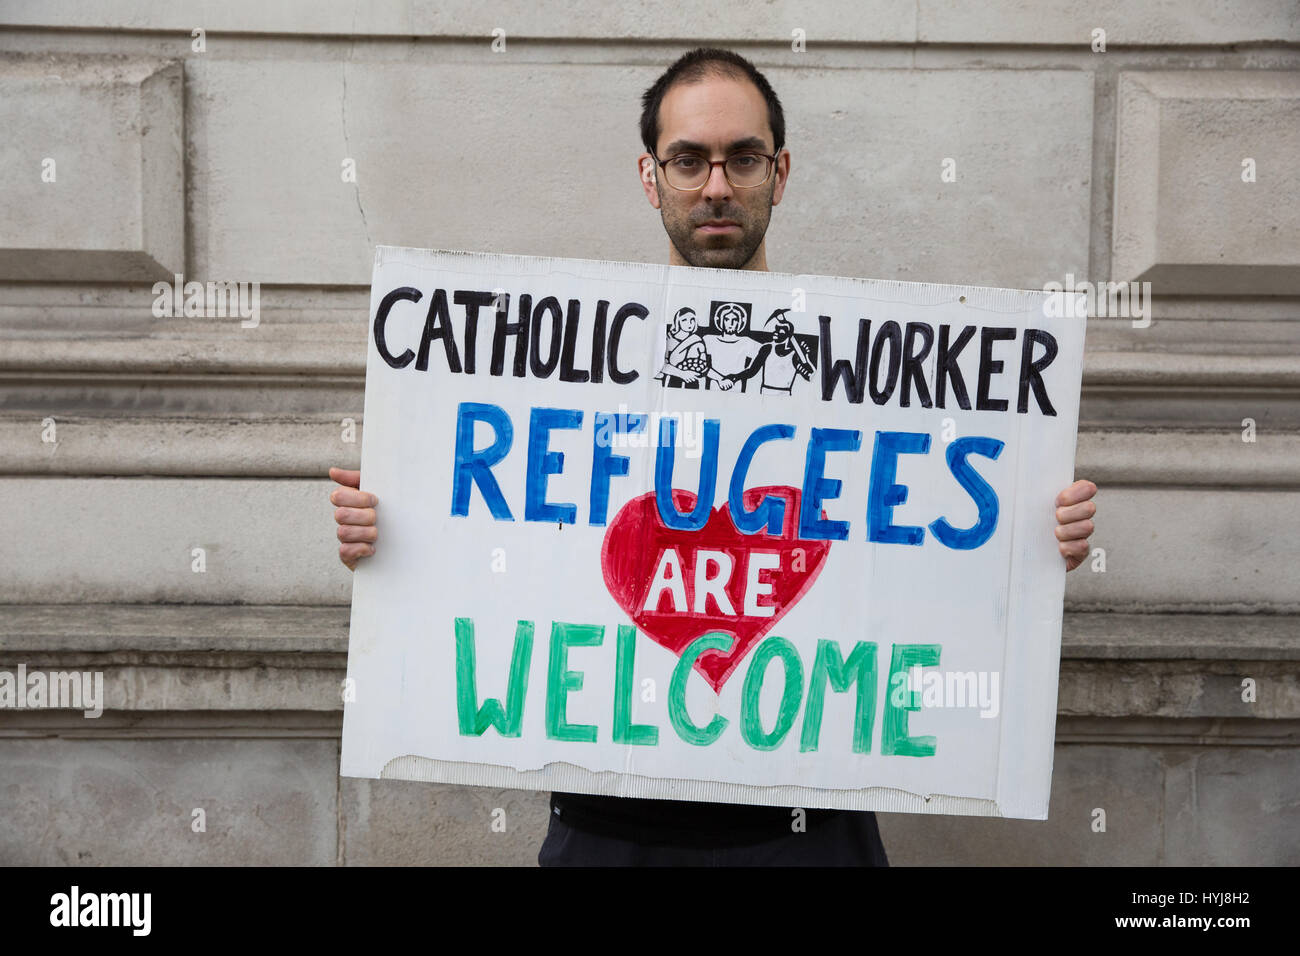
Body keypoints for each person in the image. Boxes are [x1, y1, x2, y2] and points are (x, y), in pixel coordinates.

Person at [329, 47, 1100, 867]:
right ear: (650, 175)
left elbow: (921, 560)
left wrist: (1030, 542)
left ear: (781, 169)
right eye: (689, 160)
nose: (718, 185)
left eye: (743, 157)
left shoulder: (862, 380)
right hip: (609, 837)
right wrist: (393, 534)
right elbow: (504, 548)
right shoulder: (572, 377)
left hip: (810, 841)